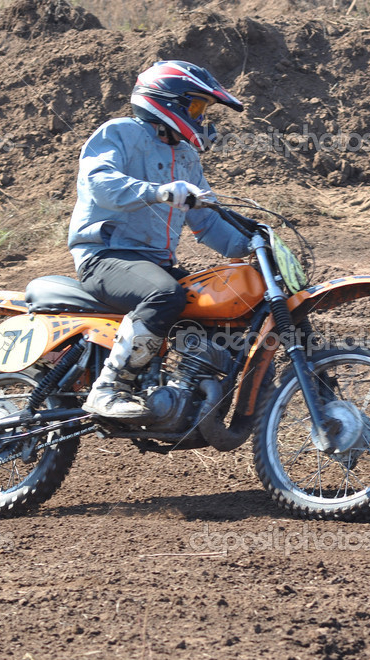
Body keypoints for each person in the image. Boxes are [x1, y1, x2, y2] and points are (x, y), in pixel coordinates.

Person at [67, 60, 252, 420]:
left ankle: (181, 396)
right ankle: (108, 388)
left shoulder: (185, 157)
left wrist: (255, 241)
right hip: (106, 255)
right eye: (196, 106)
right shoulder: (118, 133)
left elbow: (208, 222)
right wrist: (158, 192)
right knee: (165, 294)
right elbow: (100, 184)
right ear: (167, 101)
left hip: (156, 263)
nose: (200, 116)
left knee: (224, 307)